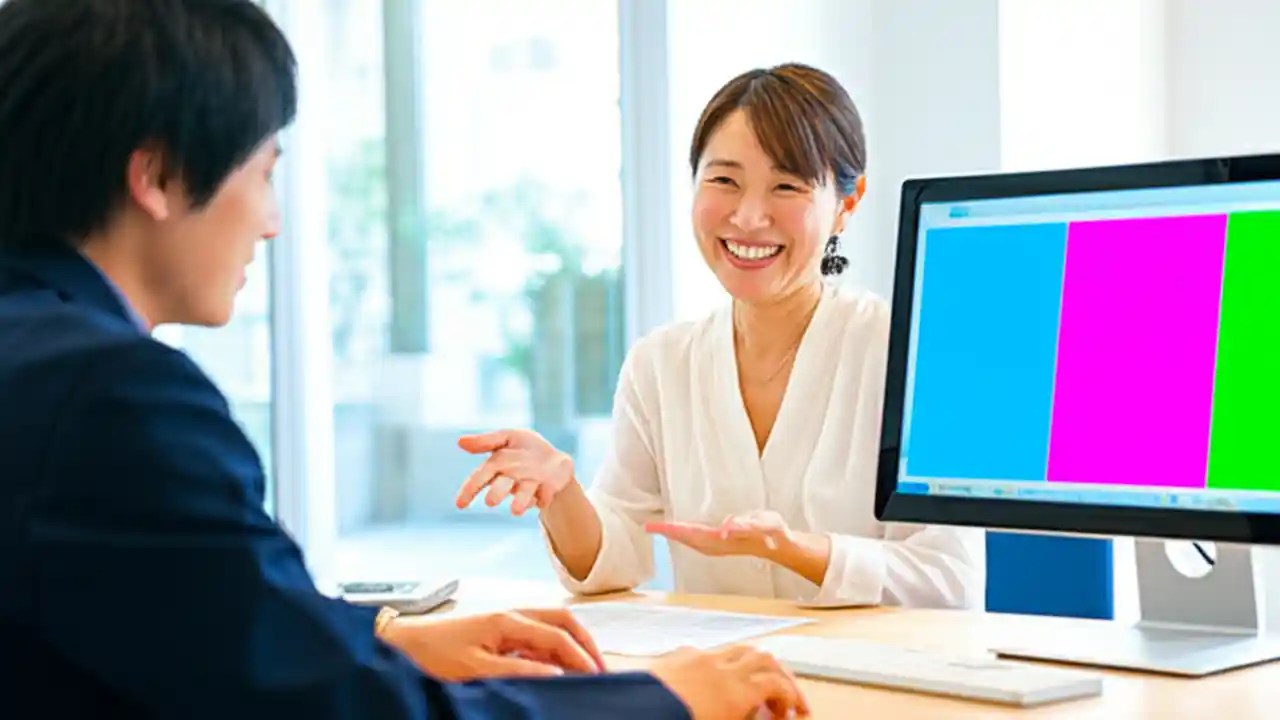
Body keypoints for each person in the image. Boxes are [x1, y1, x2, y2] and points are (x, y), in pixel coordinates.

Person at [0, 1, 808, 718]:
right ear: (160, 175)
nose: (272, 222)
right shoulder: (110, 396)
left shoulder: (37, 358)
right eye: (264, 173)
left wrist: (387, 638)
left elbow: (195, 616)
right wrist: (662, 701)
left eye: (786, 188)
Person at [457, 63, 985, 609]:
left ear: (847, 204)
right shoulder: (660, 363)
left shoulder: (915, 353)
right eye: (724, 180)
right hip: (727, 686)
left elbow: (949, 580)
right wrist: (561, 494)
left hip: (886, 682)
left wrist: (795, 548)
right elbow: (614, 561)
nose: (749, 216)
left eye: (786, 186)